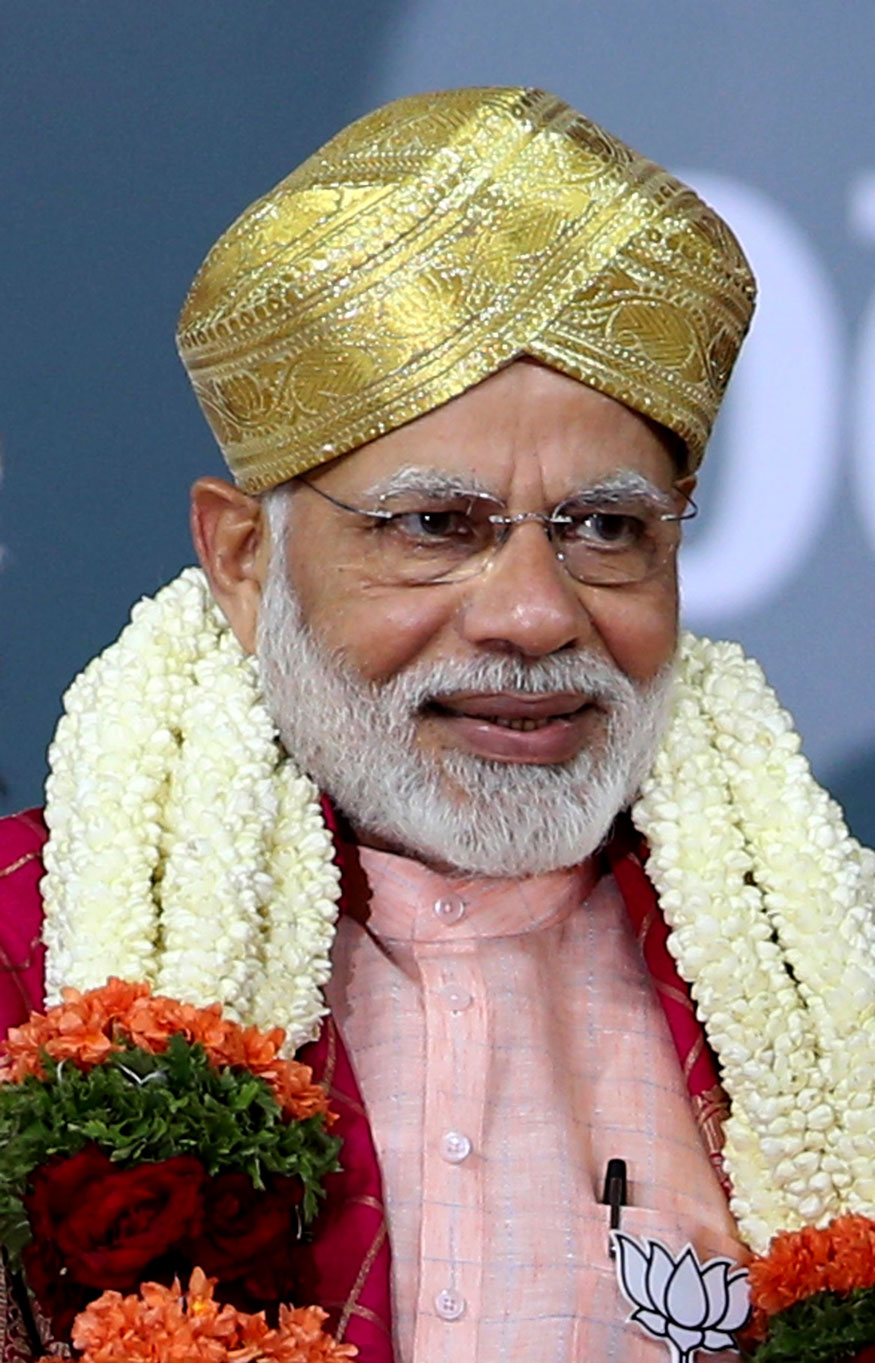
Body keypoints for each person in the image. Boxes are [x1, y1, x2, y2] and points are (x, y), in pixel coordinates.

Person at [1, 87, 873, 1363]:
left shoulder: (834, 996)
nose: (531, 613)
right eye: (432, 526)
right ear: (243, 562)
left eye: (605, 529)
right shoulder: (24, 960)